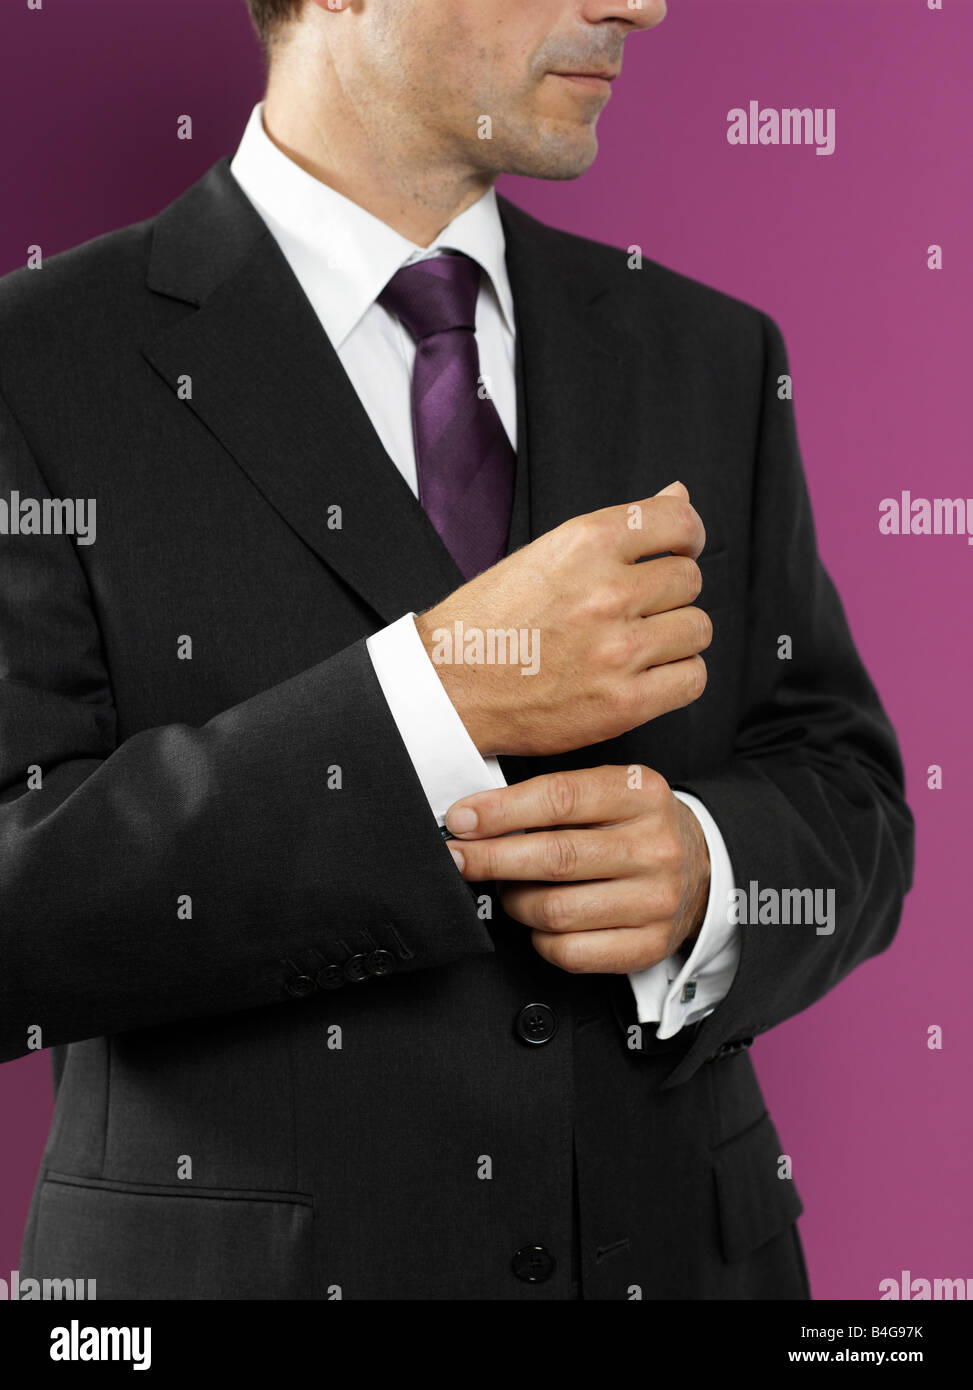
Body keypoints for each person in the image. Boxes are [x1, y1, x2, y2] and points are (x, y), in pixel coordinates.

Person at [0, 0, 913, 1300]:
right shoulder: (33, 367)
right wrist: (434, 698)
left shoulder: (708, 352)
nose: (639, 5)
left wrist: (709, 881)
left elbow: (848, 790)